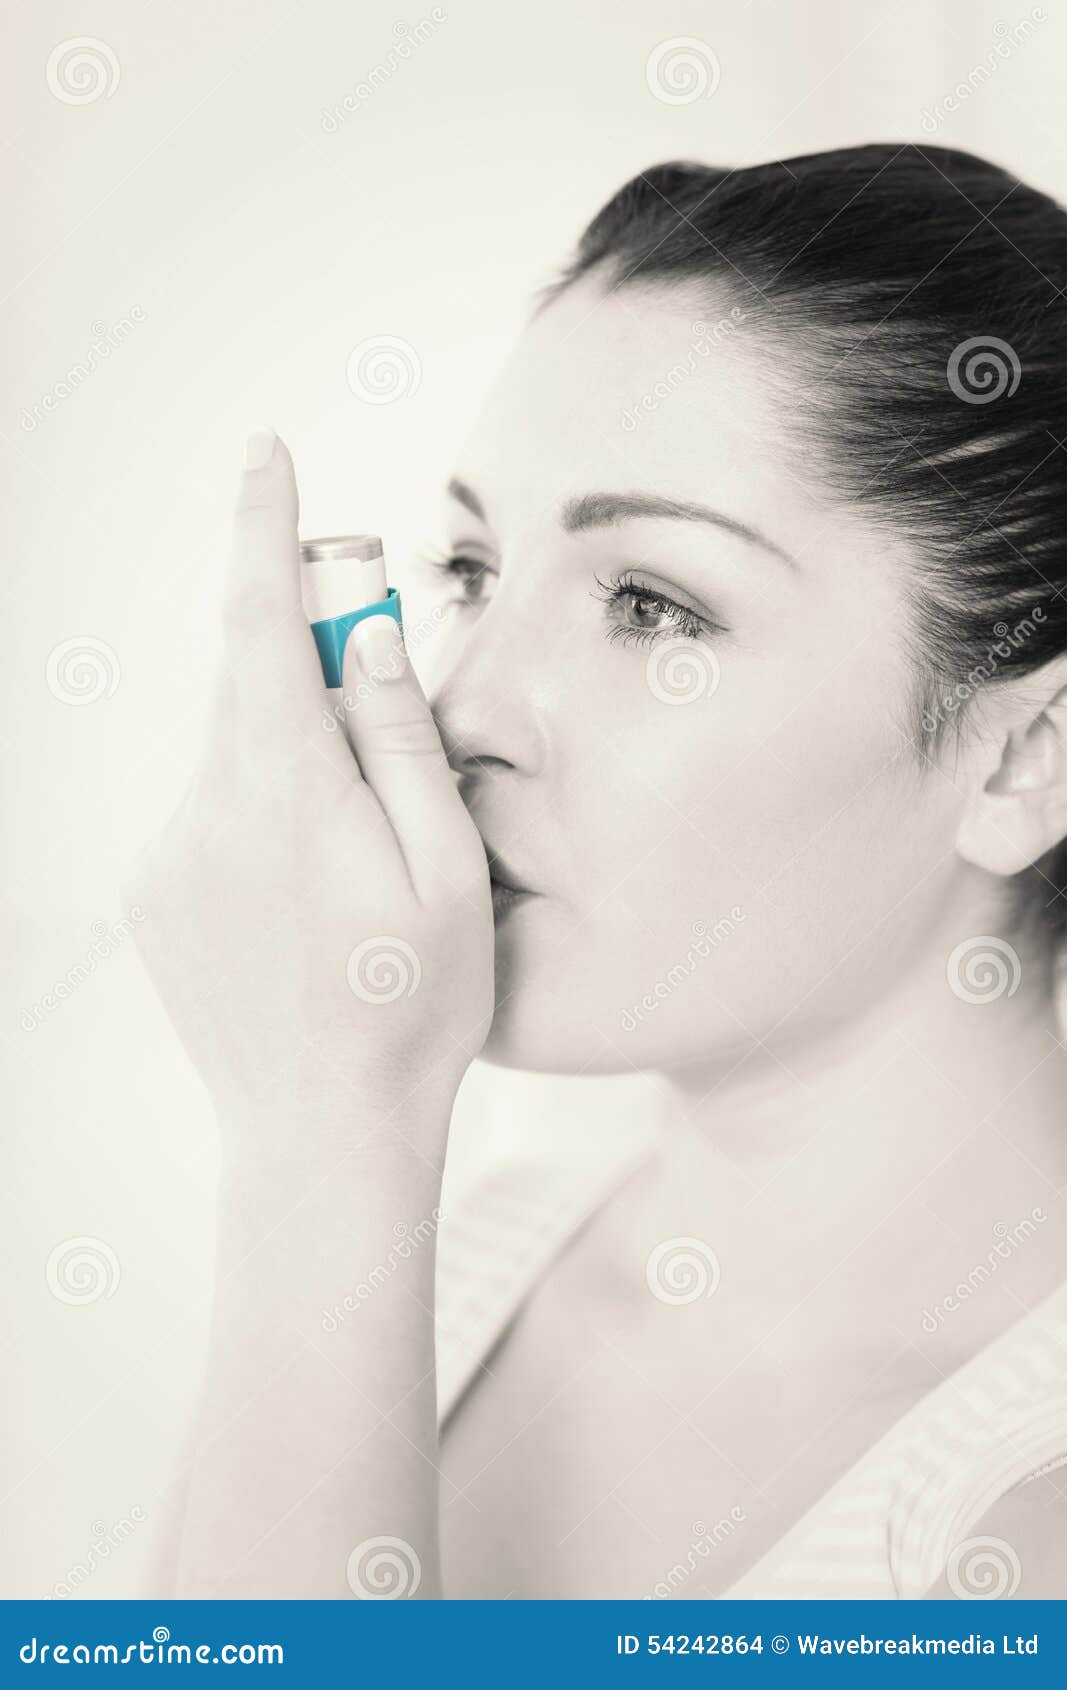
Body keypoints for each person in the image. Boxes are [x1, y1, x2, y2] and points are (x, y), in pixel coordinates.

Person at [128, 142, 1067, 1599]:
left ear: (1026, 758)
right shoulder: (432, 1273)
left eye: (649, 602)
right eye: (472, 573)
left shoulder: (1020, 1530)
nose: (459, 714)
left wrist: (324, 1137)